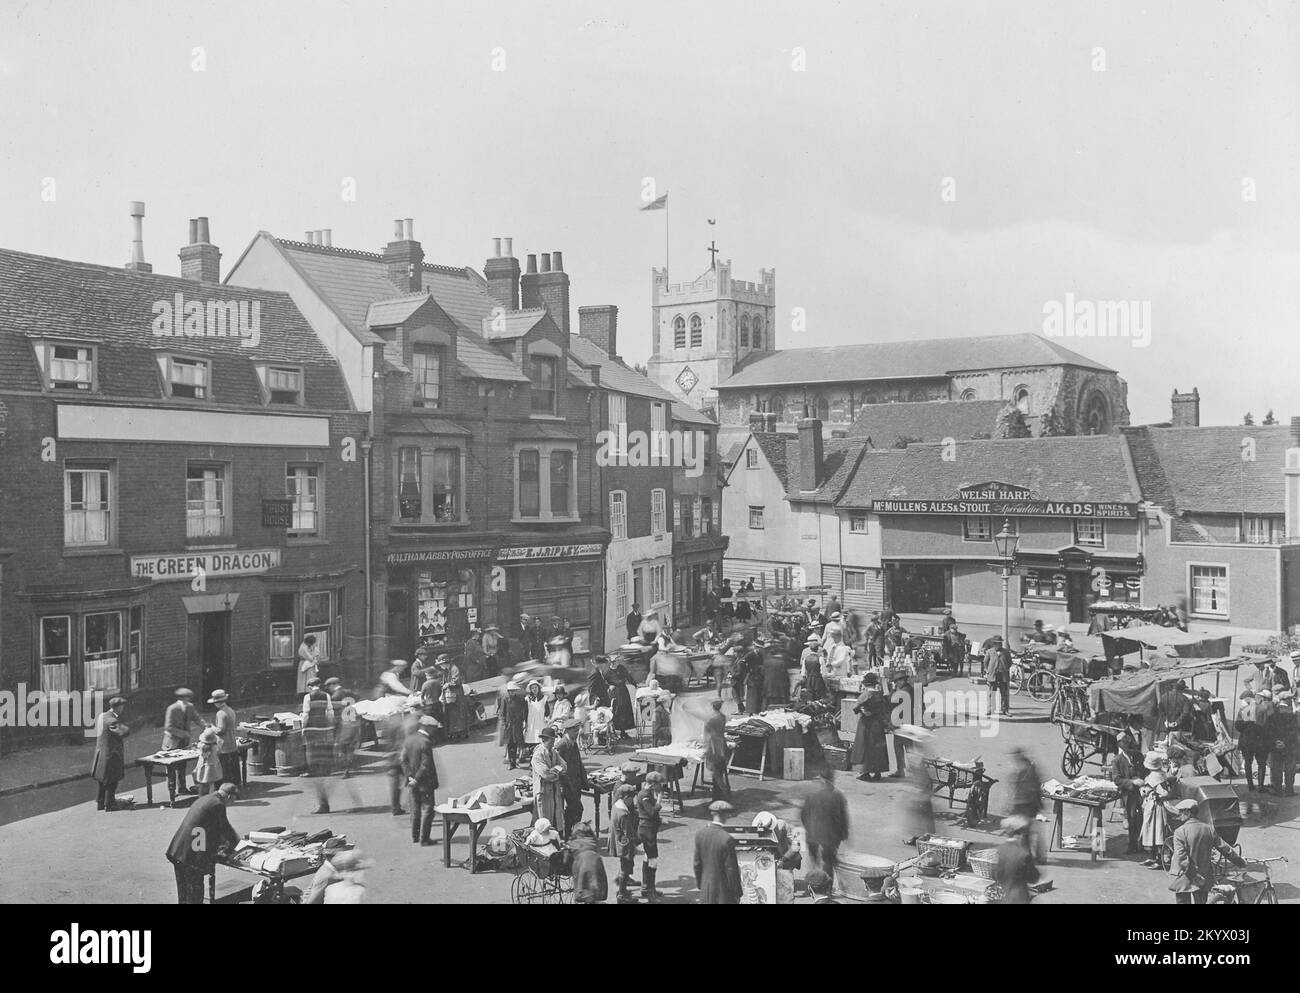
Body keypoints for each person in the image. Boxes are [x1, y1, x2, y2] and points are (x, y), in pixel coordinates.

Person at [166, 782, 240, 903]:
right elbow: (225, 829)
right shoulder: (218, 804)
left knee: (183, 893)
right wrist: (237, 845)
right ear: (229, 796)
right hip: (190, 855)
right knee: (195, 894)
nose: (231, 804)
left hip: (178, 850)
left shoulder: (206, 798)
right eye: (233, 801)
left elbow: (210, 828)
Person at [1167, 798, 1246, 904]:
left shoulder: (1180, 832)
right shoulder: (1208, 829)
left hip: (1186, 876)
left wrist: (1193, 874)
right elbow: (1225, 848)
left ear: (1188, 812)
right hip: (1203, 875)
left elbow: (1182, 856)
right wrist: (1240, 862)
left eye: (1181, 812)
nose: (1179, 815)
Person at [801, 768, 849, 877]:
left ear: (821, 779)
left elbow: (804, 815)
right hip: (831, 838)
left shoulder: (812, 795)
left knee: (814, 863)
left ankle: (813, 886)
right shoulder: (838, 796)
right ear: (832, 779)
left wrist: (810, 830)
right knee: (828, 863)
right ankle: (826, 887)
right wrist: (843, 835)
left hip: (813, 836)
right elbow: (843, 818)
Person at [694, 800, 743, 904]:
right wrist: (737, 892)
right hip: (723, 893)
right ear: (726, 815)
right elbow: (731, 869)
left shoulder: (700, 834)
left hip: (706, 889)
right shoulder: (726, 838)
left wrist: (701, 884)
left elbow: (697, 864)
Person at [299, 678, 336, 813]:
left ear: (309, 686)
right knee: (323, 756)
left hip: (312, 730)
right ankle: (323, 769)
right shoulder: (326, 695)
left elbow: (306, 714)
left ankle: (322, 803)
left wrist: (303, 728)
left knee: (312, 758)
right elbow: (330, 712)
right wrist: (330, 726)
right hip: (324, 730)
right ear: (319, 685)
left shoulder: (307, 697)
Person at [403, 715, 440, 846]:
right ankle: (424, 838)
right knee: (428, 809)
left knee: (415, 809)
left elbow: (404, 760)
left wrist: (410, 777)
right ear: (427, 727)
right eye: (434, 728)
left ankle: (414, 836)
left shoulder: (409, 739)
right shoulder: (426, 742)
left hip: (412, 781)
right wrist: (417, 779)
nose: (435, 730)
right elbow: (425, 765)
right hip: (424, 782)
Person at [162, 688, 206, 798]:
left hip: (184, 742)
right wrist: (183, 733)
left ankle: (182, 788)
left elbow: (197, 718)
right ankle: (172, 791)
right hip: (172, 741)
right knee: (171, 766)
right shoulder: (172, 709)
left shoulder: (190, 707)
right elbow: (168, 727)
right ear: (180, 698)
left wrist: (206, 726)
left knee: (182, 765)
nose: (188, 700)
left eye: (189, 698)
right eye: (186, 698)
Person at [90, 696, 130, 812]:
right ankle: (110, 804)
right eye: (122, 707)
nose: (123, 709)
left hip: (101, 755)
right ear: (118, 707)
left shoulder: (102, 716)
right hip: (111, 755)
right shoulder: (112, 720)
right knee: (112, 781)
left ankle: (100, 803)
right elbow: (123, 731)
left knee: (102, 780)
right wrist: (126, 728)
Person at [851, 673, 890, 782]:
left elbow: (855, 708)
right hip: (877, 725)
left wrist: (864, 710)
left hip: (866, 725)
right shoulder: (879, 695)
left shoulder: (865, 695)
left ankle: (866, 772)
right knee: (878, 747)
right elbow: (884, 710)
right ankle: (878, 772)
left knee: (865, 748)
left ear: (865, 684)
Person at [994, 815, 1040, 903]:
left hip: (1007, 893)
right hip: (1020, 895)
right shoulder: (1024, 852)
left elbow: (998, 873)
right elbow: (1033, 877)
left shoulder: (1001, 850)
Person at [1139, 753, 1174, 868]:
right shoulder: (1160, 774)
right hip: (1153, 806)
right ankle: (1153, 857)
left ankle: (1158, 859)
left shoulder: (1154, 777)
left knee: (1156, 832)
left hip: (1156, 808)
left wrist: (1150, 793)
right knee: (1153, 831)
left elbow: (1164, 793)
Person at [636, 771, 665, 902]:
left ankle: (645, 887)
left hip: (649, 828)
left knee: (647, 856)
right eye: (660, 784)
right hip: (647, 830)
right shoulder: (644, 795)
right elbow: (652, 812)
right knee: (653, 860)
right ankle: (651, 893)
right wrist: (659, 799)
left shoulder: (646, 793)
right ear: (653, 784)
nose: (661, 787)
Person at [555, 718, 587, 838]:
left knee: (572, 811)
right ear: (567, 731)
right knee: (577, 809)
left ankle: (571, 833)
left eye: (578, 730)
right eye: (574, 731)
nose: (577, 732)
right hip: (567, 785)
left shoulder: (573, 743)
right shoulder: (562, 745)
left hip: (576, 783)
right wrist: (563, 783)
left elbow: (578, 762)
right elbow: (556, 765)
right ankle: (569, 834)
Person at [531, 725, 567, 829]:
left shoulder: (553, 751)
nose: (553, 742)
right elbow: (546, 774)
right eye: (552, 740)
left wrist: (555, 770)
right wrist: (556, 772)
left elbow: (564, 765)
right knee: (544, 821)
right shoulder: (538, 754)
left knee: (556, 819)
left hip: (554, 791)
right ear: (544, 740)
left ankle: (556, 841)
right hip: (543, 791)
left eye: (554, 739)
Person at [610, 783, 640, 904]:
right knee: (625, 868)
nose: (632, 801)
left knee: (624, 866)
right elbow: (630, 833)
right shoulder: (623, 813)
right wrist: (635, 845)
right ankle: (622, 895)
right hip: (625, 845)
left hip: (618, 841)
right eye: (631, 798)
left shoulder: (616, 805)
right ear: (625, 797)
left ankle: (623, 891)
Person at [209, 688, 241, 792]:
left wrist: (211, 727)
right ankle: (236, 787)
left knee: (223, 769)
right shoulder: (230, 710)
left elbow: (220, 730)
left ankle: (223, 790)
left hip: (224, 745)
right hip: (232, 742)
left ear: (217, 702)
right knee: (233, 768)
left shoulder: (220, 713)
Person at [1267, 689, 1297, 796]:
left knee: (1276, 768)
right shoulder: (1293, 716)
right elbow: (1294, 732)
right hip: (1289, 746)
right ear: (1288, 700)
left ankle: (1277, 789)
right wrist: (1285, 742)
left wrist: (1276, 742)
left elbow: (1270, 731)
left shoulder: (1272, 715)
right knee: (1289, 768)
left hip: (1275, 746)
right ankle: (1289, 790)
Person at [569, 823, 608, 905]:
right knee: (595, 882)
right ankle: (594, 898)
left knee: (582, 884)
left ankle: (585, 897)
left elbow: (567, 858)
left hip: (582, 865)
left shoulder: (573, 843)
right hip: (596, 862)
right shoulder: (593, 841)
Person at [1236, 689, 1266, 792]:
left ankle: (1250, 786)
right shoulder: (1262, 708)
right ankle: (1261, 786)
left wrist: (1246, 726)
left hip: (1246, 740)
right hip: (1260, 740)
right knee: (1261, 763)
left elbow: (1237, 726)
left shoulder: (1243, 710)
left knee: (1248, 763)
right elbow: (1266, 725)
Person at [497, 673, 528, 769]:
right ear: (508, 691)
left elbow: (524, 710)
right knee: (510, 744)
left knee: (517, 743)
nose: (512, 693)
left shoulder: (520, 699)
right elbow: (502, 713)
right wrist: (504, 724)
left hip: (518, 724)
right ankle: (511, 763)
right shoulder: (505, 699)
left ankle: (517, 760)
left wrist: (524, 720)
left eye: (514, 691)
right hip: (509, 725)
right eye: (510, 691)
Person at [703, 699, 731, 801]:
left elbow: (706, 733)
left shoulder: (712, 719)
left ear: (712, 707)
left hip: (714, 746)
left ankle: (721, 795)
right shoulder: (722, 717)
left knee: (716, 773)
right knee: (718, 771)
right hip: (721, 744)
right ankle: (720, 794)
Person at [608, 658, 637, 739]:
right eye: (613, 662)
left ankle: (623, 732)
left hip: (622, 692)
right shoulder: (607, 670)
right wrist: (609, 686)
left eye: (615, 661)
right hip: (613, 693)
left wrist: (635, 684)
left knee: (624, 711)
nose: (614, 663)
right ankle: (614, 732)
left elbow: (628, 676)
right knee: (614, 711)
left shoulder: (621, 668)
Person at [985, 637, 1011, 716]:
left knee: (1004, 693)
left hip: (1003, 675)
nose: (998, 645)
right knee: (992, 693)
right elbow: (985, 662)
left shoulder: (1006, 652)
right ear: (993, 644)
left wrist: (1004, 668)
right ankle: (991, 709)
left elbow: (1010, 662)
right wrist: (988, 670)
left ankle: (1005, 710)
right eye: (996, 643)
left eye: (999, 643)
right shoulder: (989, 652)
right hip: (993, 675)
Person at [194, 726, 222, 796]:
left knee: (202, 783)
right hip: (212, 767)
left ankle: (200, 796)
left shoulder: (201, 746)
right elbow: (220, 748)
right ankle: (211, 796)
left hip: (203, 767)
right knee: (212, 784)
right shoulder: (215, 747)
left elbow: (197, 747)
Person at [799, 634, 827, 700]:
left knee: (810, 697)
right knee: (819, 697)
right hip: (818, 680)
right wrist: (826, 683)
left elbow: (803, 673)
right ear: (817, 649)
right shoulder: (820, 658)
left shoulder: (806, 658)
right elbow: (824, 673)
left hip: (809, 680)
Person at [523, 679, 548, 749]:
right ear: (530, 689)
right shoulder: (527, 699)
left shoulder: (544, 698)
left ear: (538, 688)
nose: (534, 689)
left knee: (540, 738)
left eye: (535, 687)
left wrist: (546, 718)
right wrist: (525, 722)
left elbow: (547, 712)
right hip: (531, 722)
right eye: (532, 688)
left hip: (540, 721)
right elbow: (525, 712)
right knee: (532, 737)